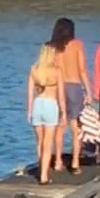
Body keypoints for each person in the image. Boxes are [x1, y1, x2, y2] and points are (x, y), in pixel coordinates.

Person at [52, 18, 90, 174]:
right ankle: (75, 163)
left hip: (58, 87)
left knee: (60, 126)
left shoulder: (54, 47)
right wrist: (88, 91)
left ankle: (58, 161)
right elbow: (82, 70)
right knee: (76, 127)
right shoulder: (77, 45)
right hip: (74, 86)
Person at [28, 41, 65, 184]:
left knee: (40, 142)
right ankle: (44, 176)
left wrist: (29, 110)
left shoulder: (34, 69)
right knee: (48, 144)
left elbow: (30, 92)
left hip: (38, 104)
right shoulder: (56, 71)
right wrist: (63, 112)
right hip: (50, 105)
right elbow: (61, 94)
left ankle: (40, 169)